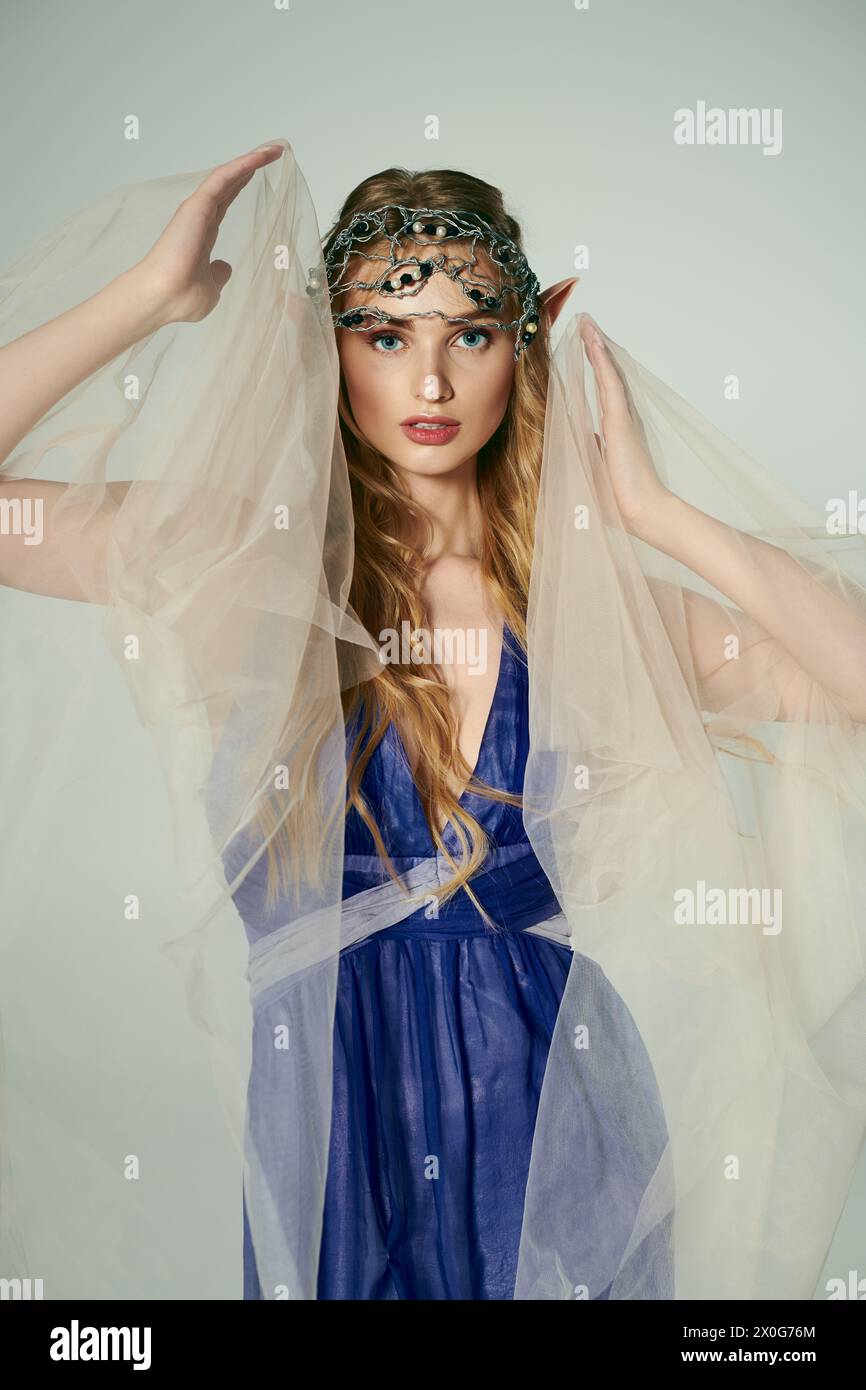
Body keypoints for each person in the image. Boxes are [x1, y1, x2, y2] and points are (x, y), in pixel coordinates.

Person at [1, 141, 864, 1301]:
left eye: (471, 331)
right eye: (384, 334)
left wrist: (657, 516)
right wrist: (147, 300)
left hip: (558, 1143)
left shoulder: (583, 614)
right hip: (331, 1136)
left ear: (527, 341)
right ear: (328, 345)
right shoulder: (246, 573)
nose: (431, 384)